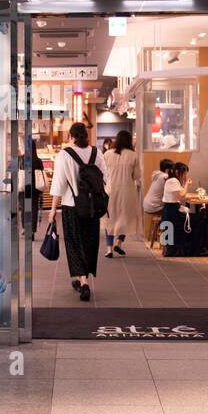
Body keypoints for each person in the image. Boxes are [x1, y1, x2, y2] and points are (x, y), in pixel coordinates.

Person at [49, 122, 106, 302]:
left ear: (71, 137)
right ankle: (84, 279)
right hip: (92, 207)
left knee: (74, 243)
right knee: (89, 242)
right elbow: (105, 179)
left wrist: (52, 211)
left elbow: (58, 185)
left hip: (71, 206)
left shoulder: (64, 155)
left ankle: (82, 282)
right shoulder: (97, 153)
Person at [103, 129, 140, 257]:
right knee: (125, 217)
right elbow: (136, 176)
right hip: (127, 191)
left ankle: (109, 249)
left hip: (110, 191)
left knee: (110, 219)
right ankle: (118, 242)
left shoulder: (107, 154)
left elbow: (103, 173)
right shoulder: (133, 155)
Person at [160, 161, 203, 256]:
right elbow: (182, 195)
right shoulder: (173, 181)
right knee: (197, 220)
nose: (185, 175)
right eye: (184, 173)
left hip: (171, 211)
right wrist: (187, 183)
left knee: (195, 219)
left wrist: (194, 196)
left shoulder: (173, 180)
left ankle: (189, 249)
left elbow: (180, 195)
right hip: (172, 213)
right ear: (177, 172)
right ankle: (194, 249)